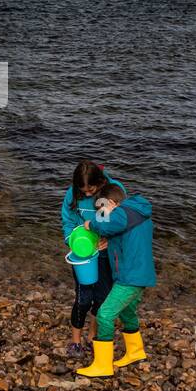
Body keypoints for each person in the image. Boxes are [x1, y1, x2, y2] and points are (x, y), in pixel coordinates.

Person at [76, 182, 155, 377]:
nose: (102, 213)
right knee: (127, 312)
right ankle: (136, 352)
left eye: (102, 209)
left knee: (105, 315)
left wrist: (90, 224)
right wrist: (108, 242)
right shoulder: (136, 212)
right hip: (139, 274)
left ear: (111, 203)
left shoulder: (121, 213)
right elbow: (125, 235)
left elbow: (104, 223)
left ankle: (103, 365)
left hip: (130, 277)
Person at [60, 160, 125, 356]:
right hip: (83, 254)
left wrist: (109, 239)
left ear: (101, 182)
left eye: (92, 190)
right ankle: (75, 341)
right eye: (83, 191)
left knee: (102, 298)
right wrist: (71, 240)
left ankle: (91, 336)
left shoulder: (113, 191)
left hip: (105, 255)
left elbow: (121, 221)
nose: (87, 194)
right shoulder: (73, 194)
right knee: (82, 299)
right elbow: (68, 221)